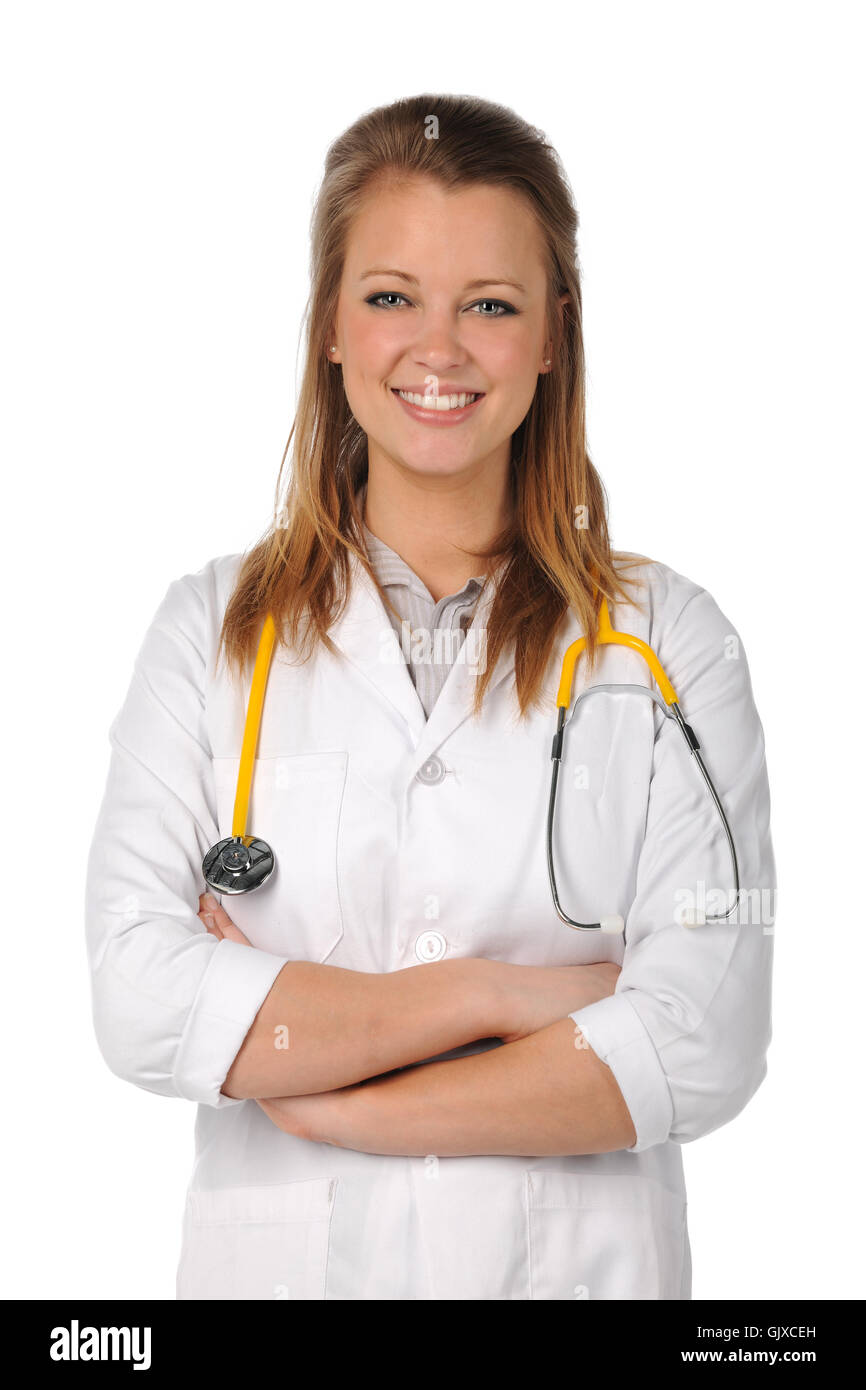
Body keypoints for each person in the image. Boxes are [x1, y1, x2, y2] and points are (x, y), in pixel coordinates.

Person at [84, 92, 775, 1301]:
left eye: (490, 307)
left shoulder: (668, 642)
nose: (438, 350)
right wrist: (492, 998)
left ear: (554, 335)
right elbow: (140, 998)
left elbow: (704, 1041)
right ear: (330, 329)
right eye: (391, 296)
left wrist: (329, 1101)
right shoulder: (208, 633)